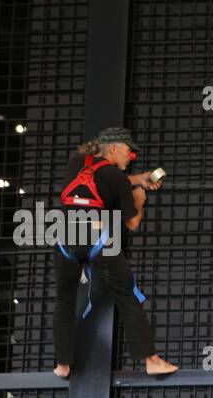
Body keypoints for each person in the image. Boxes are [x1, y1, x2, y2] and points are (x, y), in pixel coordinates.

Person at [52, 126, 178, 378]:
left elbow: (99, 176)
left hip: (65, 237)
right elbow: (131, 224)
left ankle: (62, 364)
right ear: (114, 148)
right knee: (127, 295)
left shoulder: (76, 161)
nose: (131, 157)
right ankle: (152, 361)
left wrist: (137, 178)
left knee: (64, 300)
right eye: (129, 152)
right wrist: (139, 201)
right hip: (97, 240)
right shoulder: (118, 179)